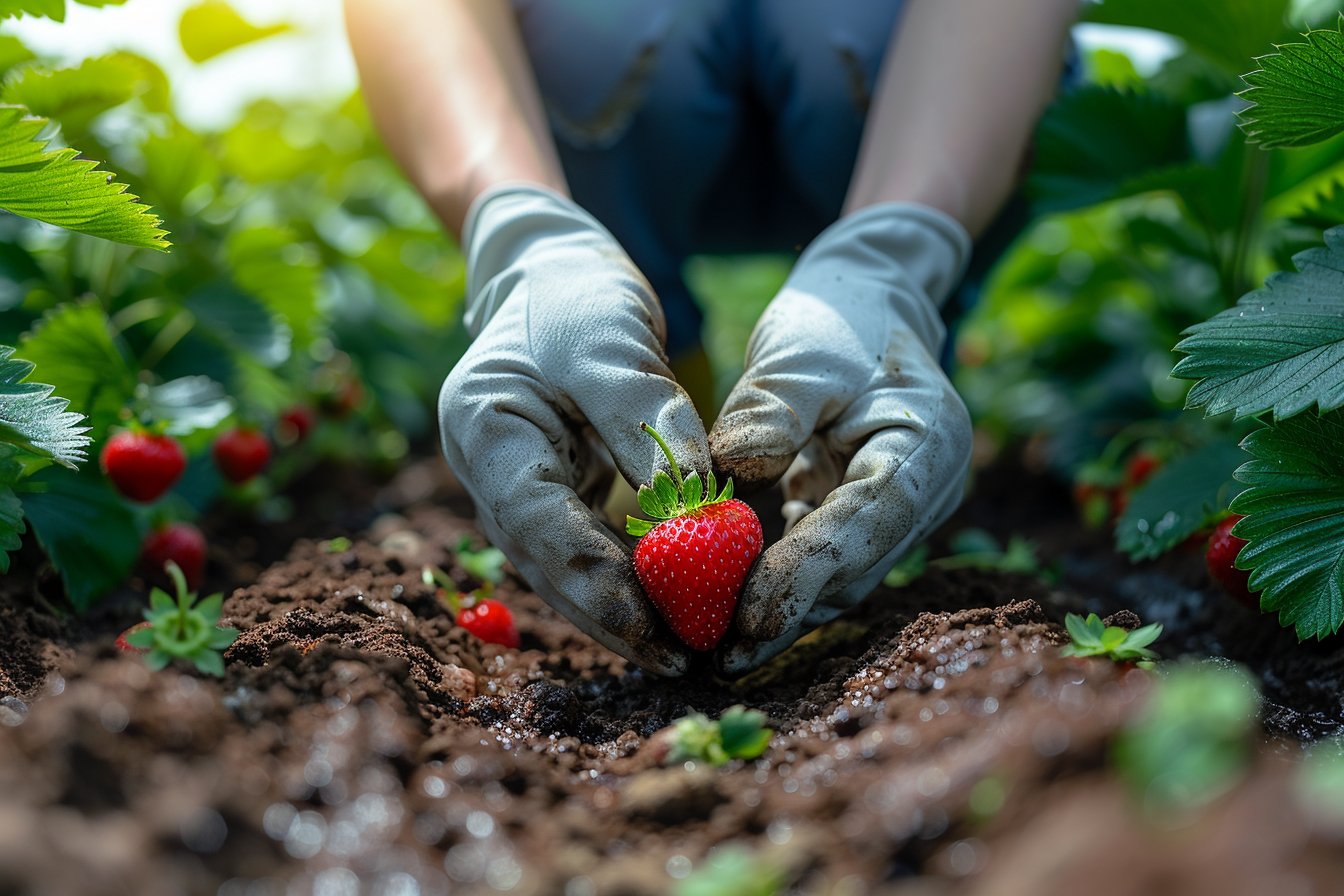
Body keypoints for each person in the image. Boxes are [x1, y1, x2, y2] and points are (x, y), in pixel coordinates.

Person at [343, 0, 1080, 677]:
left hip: (890, 110)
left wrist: (893, 256)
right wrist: (520, 234)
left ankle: (867, 411)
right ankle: (637, 394)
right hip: (611, 121)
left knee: (842, 30)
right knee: (607, 30)